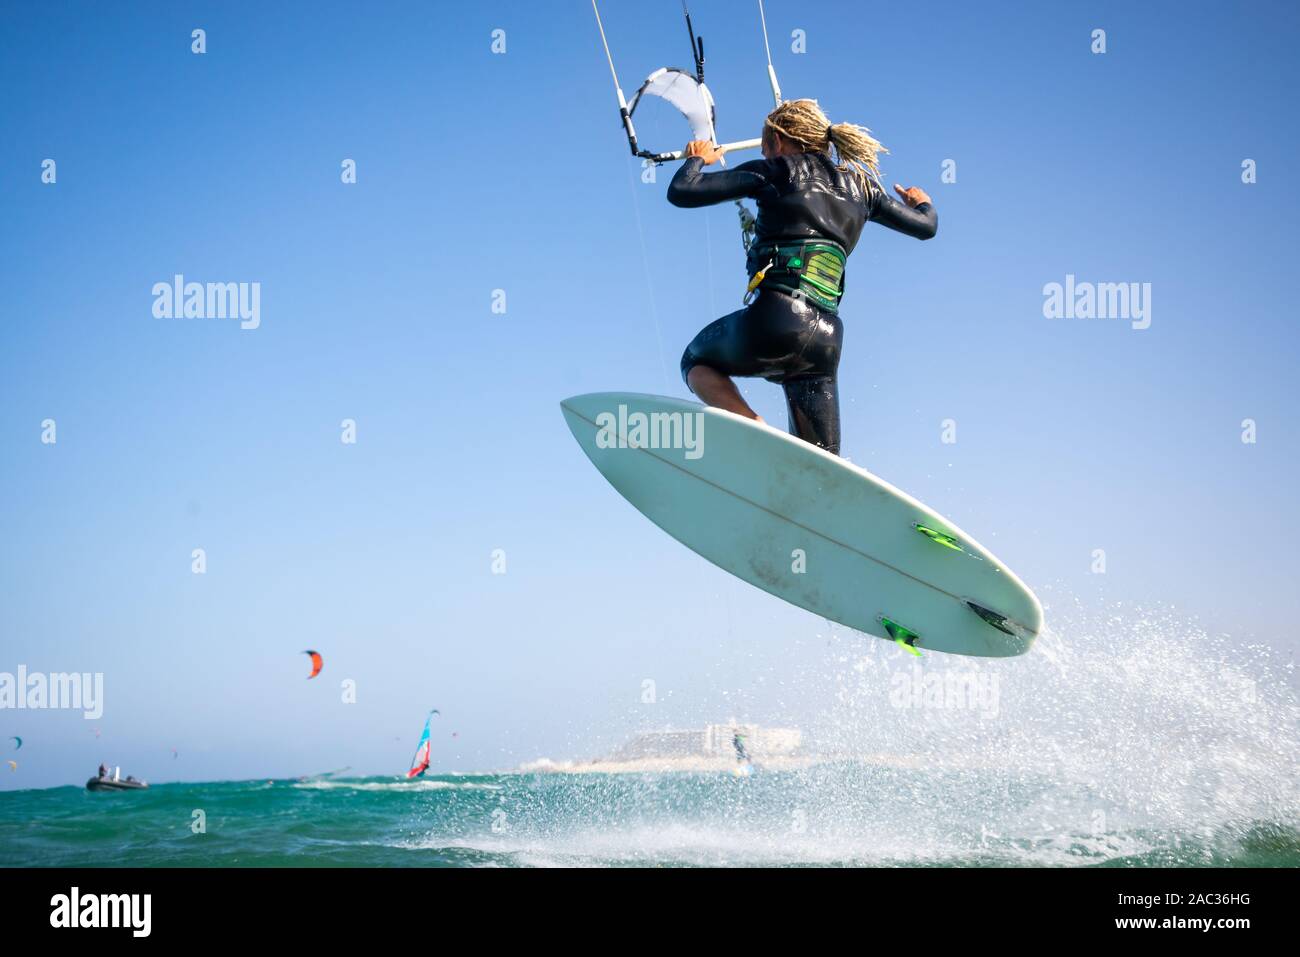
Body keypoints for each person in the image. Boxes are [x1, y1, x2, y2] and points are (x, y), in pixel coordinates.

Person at [667, 99, 937, 455]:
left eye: (766, 148)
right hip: (825, 339)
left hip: (778, 319)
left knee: (694, 360)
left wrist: (697, 157)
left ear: (778, 141)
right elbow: (926, 227)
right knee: (819, 463)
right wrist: (922, 204)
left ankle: (754, 430)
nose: (766, 155)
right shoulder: (863, 188)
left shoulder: (778, 171)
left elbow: (683, 191)